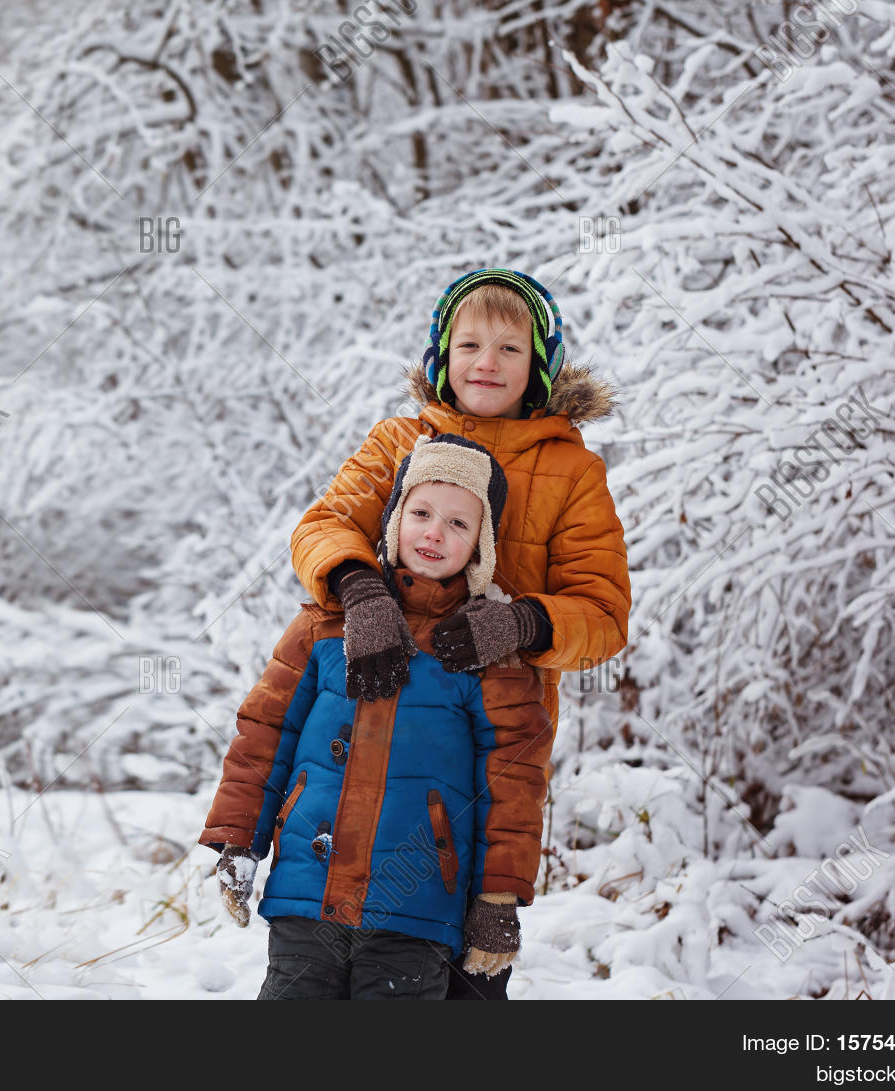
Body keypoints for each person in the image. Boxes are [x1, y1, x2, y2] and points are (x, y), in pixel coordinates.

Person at [289, 268, 631, 996]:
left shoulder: (572, 471)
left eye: (510, 348)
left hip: (494, 740)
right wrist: (359, 588)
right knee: (346, 941)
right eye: (469, 344)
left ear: (540, 364)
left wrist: (523, 622)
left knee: (469, 947)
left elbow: (603, 615)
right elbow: (323, 526)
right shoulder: (399, 441)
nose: (486, 363)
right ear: (443, 354)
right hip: (377, 720)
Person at [200, 434, 552, 999]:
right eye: (421, 513)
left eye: (459, 524)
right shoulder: (322, 628)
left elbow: (514, 783)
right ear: (393, 520)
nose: (435, 533)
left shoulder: (492, 659)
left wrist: (497, 896)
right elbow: (264, 734)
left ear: (482, 546)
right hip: (307, 893)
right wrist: (239, 839)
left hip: (416, 908)